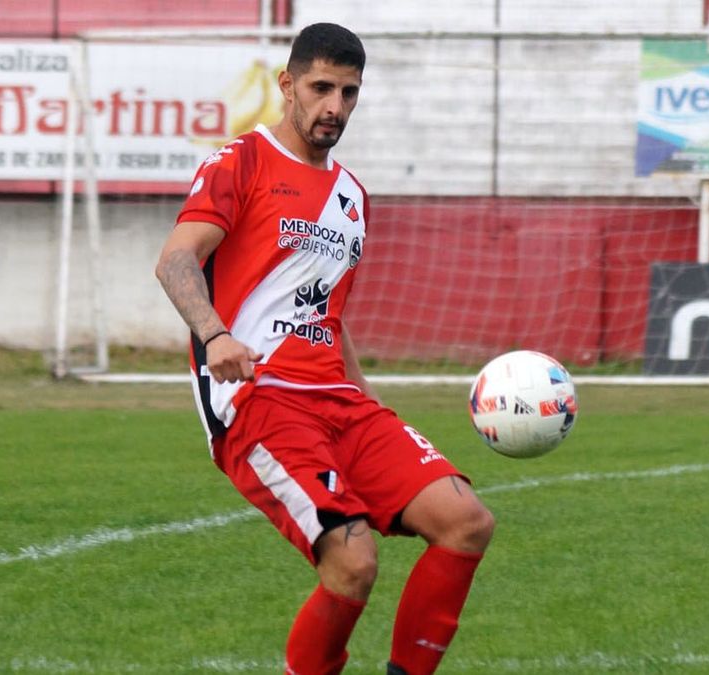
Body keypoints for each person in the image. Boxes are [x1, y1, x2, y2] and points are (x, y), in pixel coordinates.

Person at [155, 23, 495, 675]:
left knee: (466, 521)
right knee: (353, 561)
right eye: (320, 88)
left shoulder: (351, 196)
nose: (334, 105)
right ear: (288, 85)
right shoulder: (240, 161)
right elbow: (175, 259)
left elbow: (328, 317)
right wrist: (215, 334)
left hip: (339, 401)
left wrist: (371, 403)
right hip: (259, 402)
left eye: (348, 92)